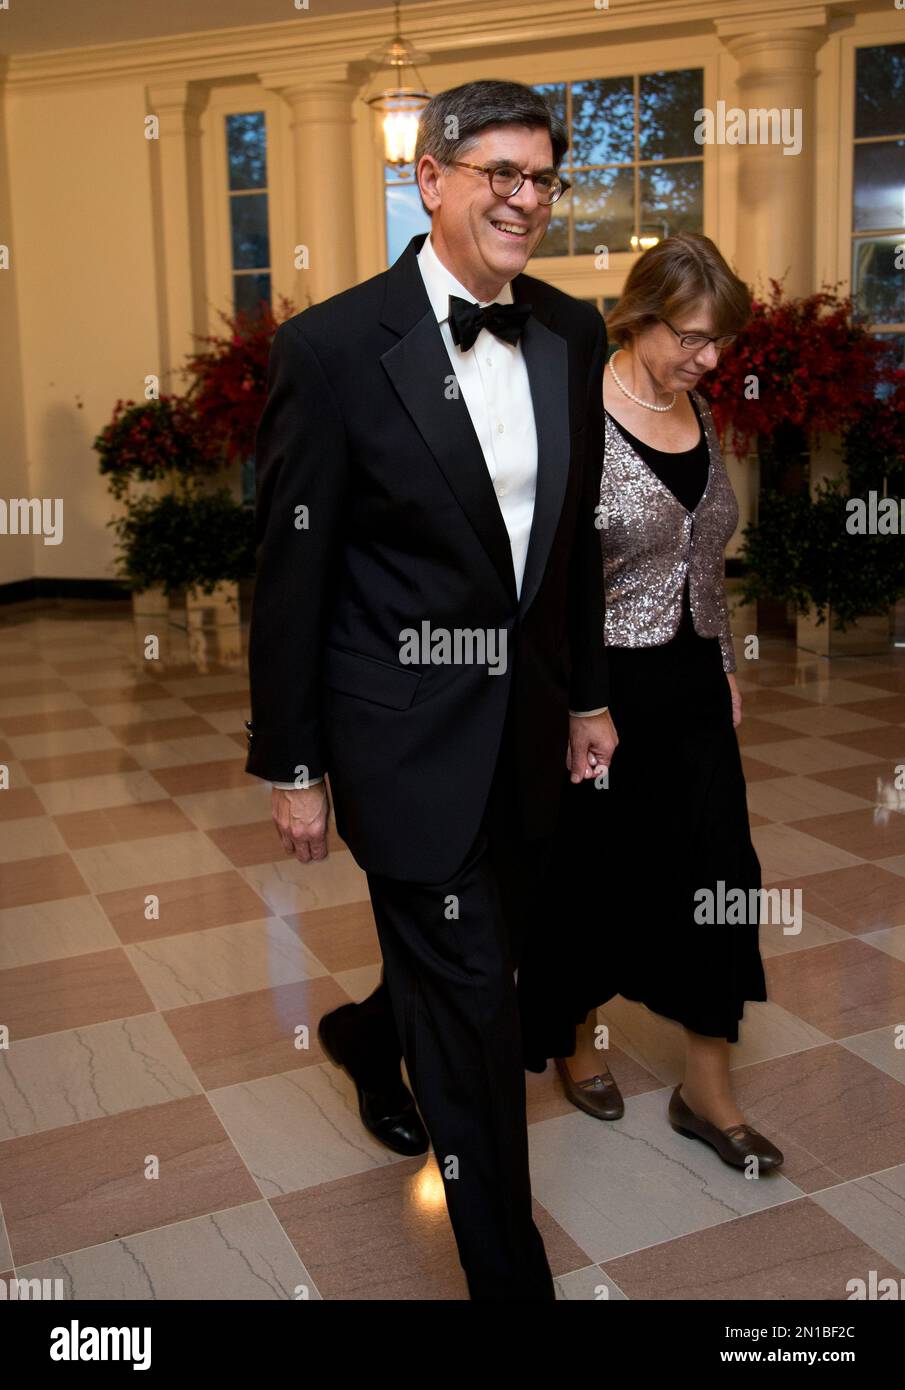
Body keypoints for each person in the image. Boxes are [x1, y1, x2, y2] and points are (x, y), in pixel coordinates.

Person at [244, 78, 617, 1300]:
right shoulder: (336, 348)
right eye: (497, 173)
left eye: (541, 177)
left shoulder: (569, 331)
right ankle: (511, 1281)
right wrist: (293, 763)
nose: (523, 198)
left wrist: (584, 696)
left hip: (524, 729)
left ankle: (361, 1031)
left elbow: (573, 545)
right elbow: (291, 575)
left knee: (479, 956)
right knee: (472, 1018)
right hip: (402, 736)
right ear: (432, 179)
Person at [519, 233, 784, 1174]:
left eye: (719, 345)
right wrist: (570, 705)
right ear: (638, 316)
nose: (708, 361)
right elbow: (550, 576)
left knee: (719, 874)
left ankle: (706, 1091)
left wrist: (718, 658)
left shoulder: (700, 414)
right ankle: (580, 1038)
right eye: (693, 338)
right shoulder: (574, 412)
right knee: (592, 871)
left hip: (691, 687)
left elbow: (700, 551)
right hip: (597, 691)